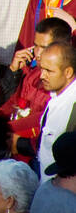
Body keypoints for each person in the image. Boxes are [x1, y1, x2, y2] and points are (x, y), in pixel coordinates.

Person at [37, 41, 76, 177]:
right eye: (41, 69)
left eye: (49, 71)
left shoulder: (72, 107)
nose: (42, 75)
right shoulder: (55, 96)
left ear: (68, 72)